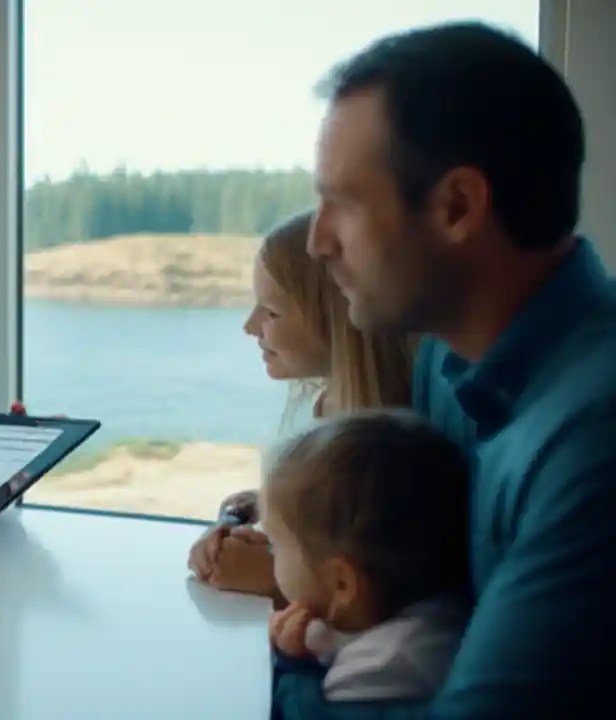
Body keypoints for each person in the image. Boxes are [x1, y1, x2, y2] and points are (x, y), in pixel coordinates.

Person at [281, 20, 616, 718]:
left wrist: (294, 678)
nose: (317, 242)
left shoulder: (595, 437)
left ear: (458, 207)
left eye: (341, 202)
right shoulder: (446, 353)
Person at [187, 211, 414, 597]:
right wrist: (270, 509)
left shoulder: (388, 454)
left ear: (339, 321)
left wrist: (275, 578)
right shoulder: (323, 407)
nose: (249, 326)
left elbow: (379, 594)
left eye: (271, 312)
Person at [263, 410, 470, 711]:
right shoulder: (378, 612)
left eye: (274, 544)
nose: (270, 555)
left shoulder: (385, 665)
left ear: (342, 583)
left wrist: (293, 667)